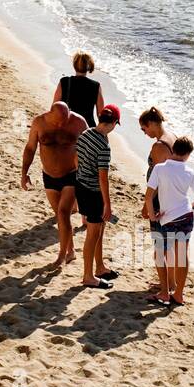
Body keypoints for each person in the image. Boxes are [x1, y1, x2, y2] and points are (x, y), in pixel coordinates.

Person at [22, 102, 88, 268]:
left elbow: (89, 148)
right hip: (49, 176)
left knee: (63, 213)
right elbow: (30, 148)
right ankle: (71, 250)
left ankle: (61, 255)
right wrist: (24, 173)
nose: (61, 125)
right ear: (50, 113)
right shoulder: (39, 122)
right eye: (58, 121)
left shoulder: (79, 123)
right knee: (60, 216)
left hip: (72, 174)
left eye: (64, 120)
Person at [142, 136, 194, 306]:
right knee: (181, 256)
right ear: (188, 155)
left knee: (160, 254)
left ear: (173, 150)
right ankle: (178, 294)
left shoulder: (159, 169)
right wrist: (188, 208)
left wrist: (152, 215)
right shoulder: (189, 172)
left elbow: (149, 196)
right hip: (186, 216)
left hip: (167, 218)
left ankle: (164, 292)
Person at [74, 105, 121, 287]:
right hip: (93, 192)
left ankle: (100, 267)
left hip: (81, 185)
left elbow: (76, 160)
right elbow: (103, 178)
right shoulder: (103, 146)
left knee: (99, 229)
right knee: (93, 233)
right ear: (114, 123)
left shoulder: (85, 134)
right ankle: (88, 276)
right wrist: (107, 205)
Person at [138, 105, 176, 296]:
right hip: (175, 198)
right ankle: (170, 284)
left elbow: (158, 179)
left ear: (151, 123)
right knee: (170, 244)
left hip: (161, 200)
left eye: (144, 129)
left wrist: (148, 204)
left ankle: (164, 290)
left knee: (160, 247)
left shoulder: (159, 146)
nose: (145, 133)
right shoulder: (173, 138)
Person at [53, 51, 104, 128]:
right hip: (87, 130)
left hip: (66, 126)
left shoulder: (64, 81)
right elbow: (100, 115)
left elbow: (55, 107)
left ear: (74, 65)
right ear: (89, 66)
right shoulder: (96, 86)